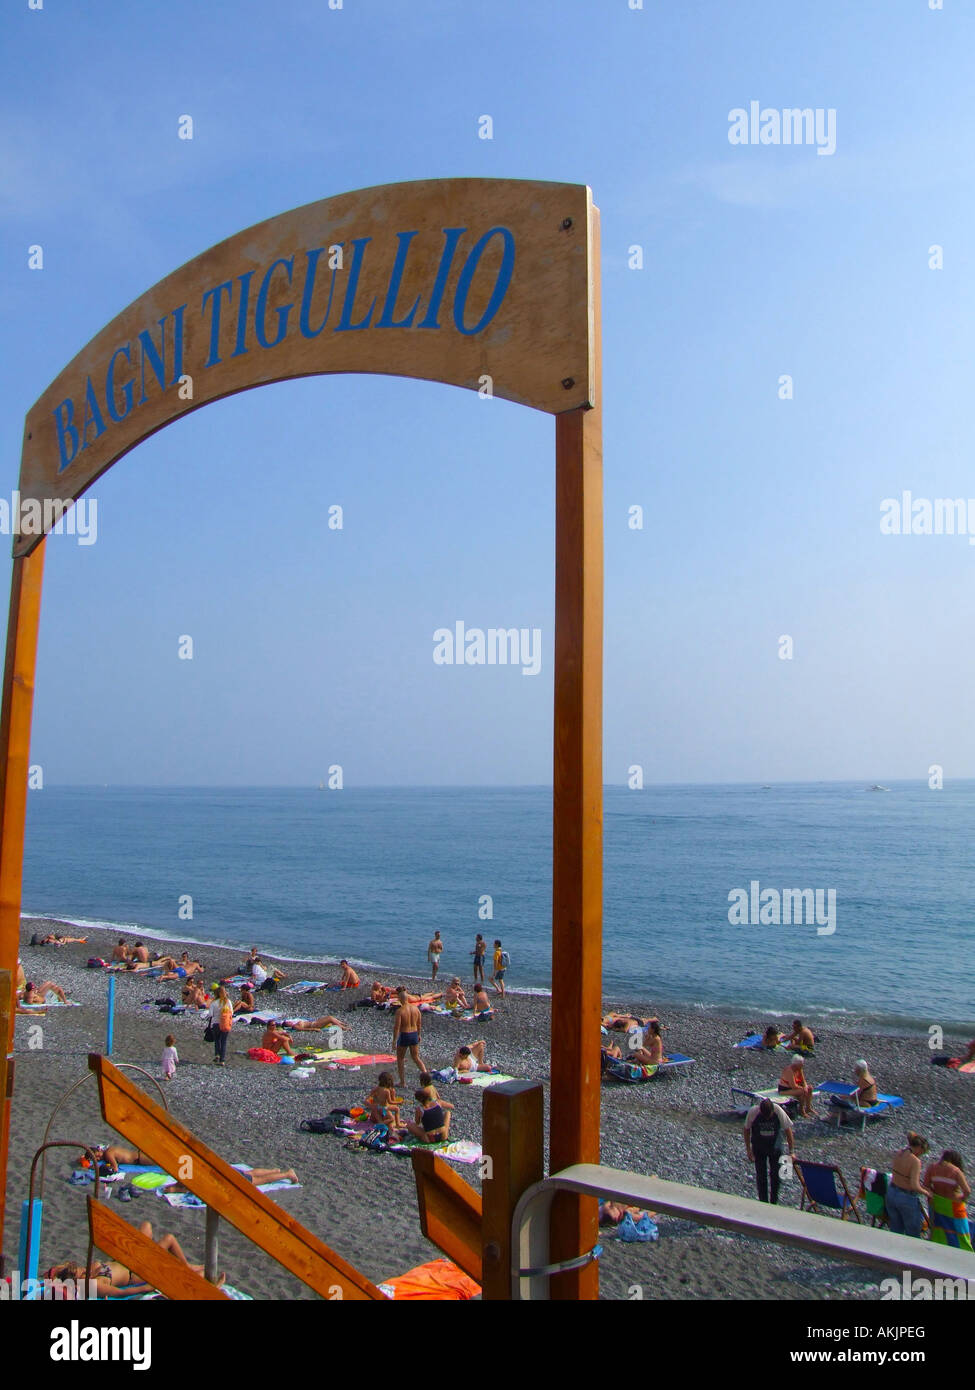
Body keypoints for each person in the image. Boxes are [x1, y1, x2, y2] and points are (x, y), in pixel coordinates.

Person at [47, 1223, 223, 1297]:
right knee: (168, 1239)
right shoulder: (94, 1284)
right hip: (138, 1271)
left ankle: (189, 1268)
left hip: (131, 1259)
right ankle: (202, 1279)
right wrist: (147, 1288)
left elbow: (56, 1272)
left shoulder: (89, 1272)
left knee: (146, 1227)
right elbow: (122, 1293)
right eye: (78, 1272)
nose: (81, 1269)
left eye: (78, 1269)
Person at [743, 1098, 796, 1204]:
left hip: (775, 1147)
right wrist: (749, 1150)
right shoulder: (753, 1112)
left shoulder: (779, 1111)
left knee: (776, 1175)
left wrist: (792, 1152)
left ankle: (774, 1202)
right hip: (759, 1147)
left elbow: (788, 1130)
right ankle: (763, 1202)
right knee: (761, 1176)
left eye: (769, 1116)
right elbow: (746, 1130)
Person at [923, 1149, 973, 1252]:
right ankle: (963, 1254)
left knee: (939, 1231)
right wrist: (962, 1199)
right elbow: (967, 1191)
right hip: (954, 1205)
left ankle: (940, 1252)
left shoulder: (932, 1168)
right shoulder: (956, 1171)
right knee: (961, 1233)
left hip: (938, 1203)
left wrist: (931, 1195)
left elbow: (926, 1186)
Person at [886, 1133, 931, 1237]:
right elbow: (914, 1185)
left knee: (896, 1231)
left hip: (891, 1192)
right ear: (919, 1148)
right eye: (922, 1152)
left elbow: (904, 1177)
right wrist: (927, 1193)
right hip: (906, 1198)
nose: (921, 1154)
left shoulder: (898, 1153)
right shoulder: (915, 1161)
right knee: (913, 1233)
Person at [393, 985, 428, 1084]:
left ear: (399, 998)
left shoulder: (400, 1011)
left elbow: (397, 1027)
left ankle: (402, 1082)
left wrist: (394, 1041)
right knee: (416, 1057)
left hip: (405, 1035)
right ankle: (426, 1075)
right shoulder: (416, 1009)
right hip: (414, 1034)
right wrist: (419, 1035)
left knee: (400, 1059)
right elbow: (419, 1024)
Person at [209, 987, 234, 1066]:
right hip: (225, 1023)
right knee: (223, 1042)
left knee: (217, 1040)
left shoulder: (213, 1003)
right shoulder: (228, 1002)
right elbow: (232, 1013)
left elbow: (210, 1014)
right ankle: (222, 1060)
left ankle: (217, 1055)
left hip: (216, 1023)